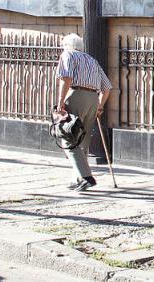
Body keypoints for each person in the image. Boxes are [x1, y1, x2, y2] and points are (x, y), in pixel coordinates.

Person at [55, 33, 112, 192]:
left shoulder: (68, 54)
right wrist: (100, 105)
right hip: (93, 98)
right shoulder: (91, 60)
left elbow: (66, 78)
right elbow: (107, 87)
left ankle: (86, 176)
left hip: (76, 95)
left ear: (67, 45)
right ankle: (78, 179)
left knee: (68, 137)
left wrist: (60, 103)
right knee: (83, 140)